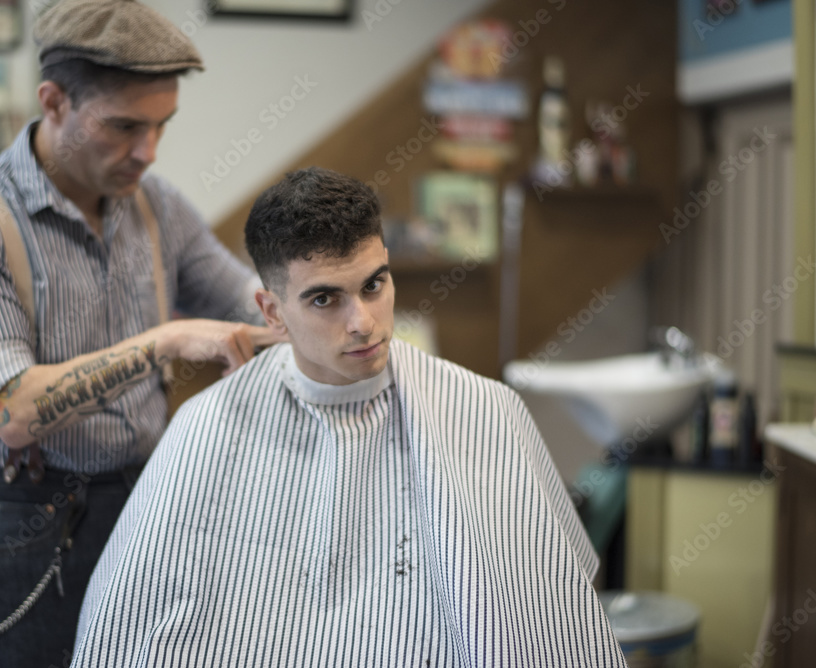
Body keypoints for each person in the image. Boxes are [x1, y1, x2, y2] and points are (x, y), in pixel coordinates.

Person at [70, 167, 627, 666]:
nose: (362, 321)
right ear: (272, 312)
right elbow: (131, 627)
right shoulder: (208, 426)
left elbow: (555, 607)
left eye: (373, 285)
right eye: (323, 300)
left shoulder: (485, 411)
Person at [0, 1, 279, 665]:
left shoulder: (159, 208)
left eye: (161, 126)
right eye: (123, 127)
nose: (148, 151)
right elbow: (15, 412)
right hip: (19, 526)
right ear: (53, 102)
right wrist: (164, 342)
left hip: (145, 505)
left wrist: (328, 314)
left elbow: (257, 310)